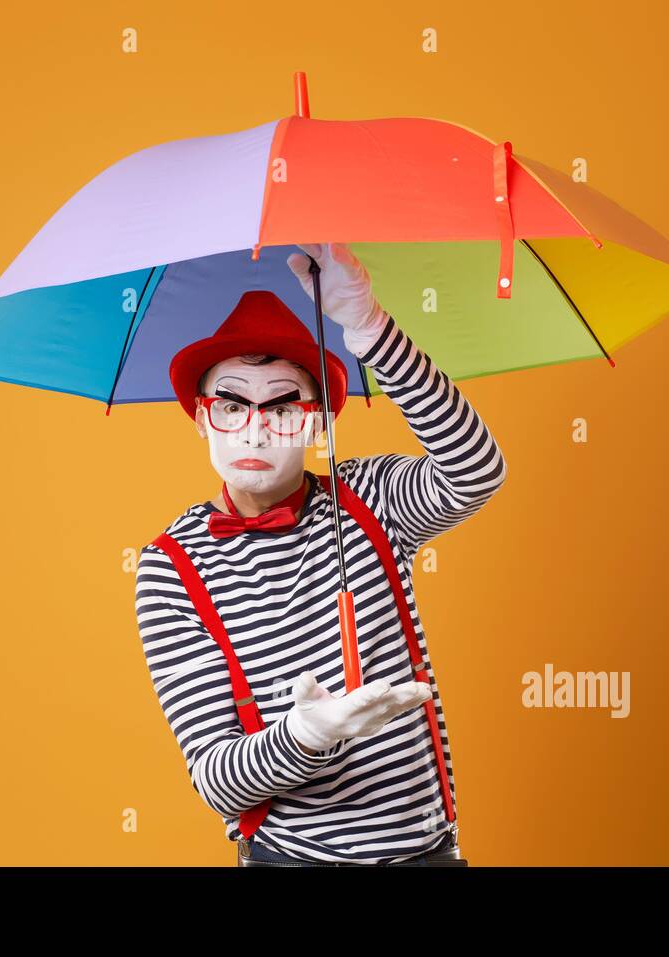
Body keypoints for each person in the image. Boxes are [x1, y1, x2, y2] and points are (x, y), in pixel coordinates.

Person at [134, 242, 506, 865]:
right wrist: (307, 735)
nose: (254, 428)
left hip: (427, 853)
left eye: (282, 406)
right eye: (231, 405)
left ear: (317, 424)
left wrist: (369, 327)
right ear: (201, 419)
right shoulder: (172, 567)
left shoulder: (370, 502)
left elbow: (476, 471)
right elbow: (215, 779)